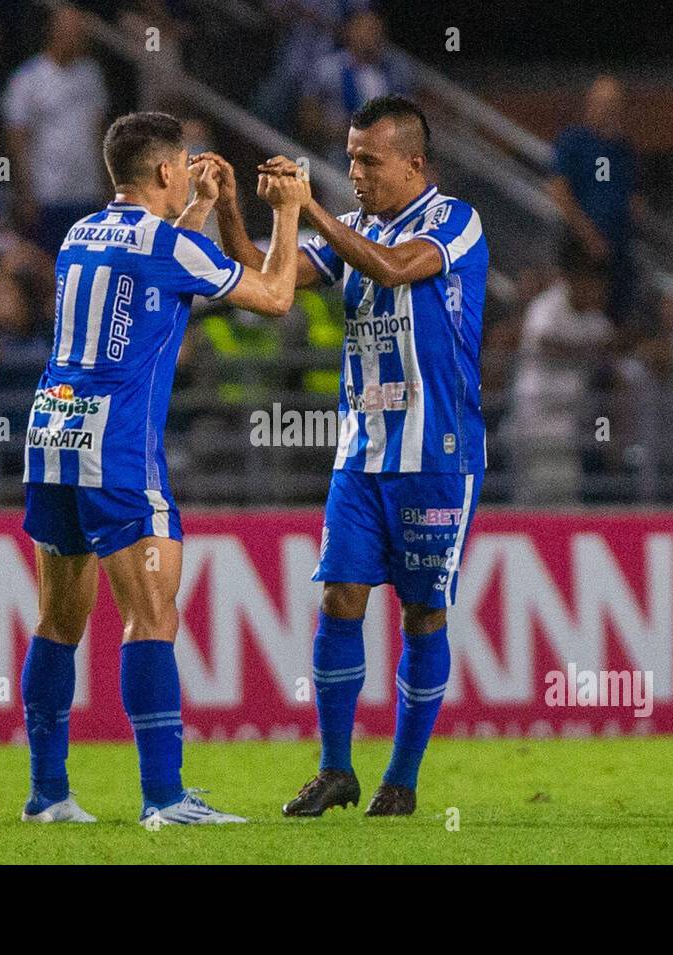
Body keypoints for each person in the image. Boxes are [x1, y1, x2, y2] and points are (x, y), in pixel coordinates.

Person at [18, 111, 307, 825]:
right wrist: (290, 211)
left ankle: (48, 794)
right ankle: (165, 798)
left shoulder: (81, 232)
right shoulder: (163, 244)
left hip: (52, 431)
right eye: (181, 168)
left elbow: (156, 261)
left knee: (59, 618)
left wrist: (204, 204)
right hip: (117, 446)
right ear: (161, 173)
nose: (186, 175)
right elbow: (275, 296)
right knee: (151, 614)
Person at [206, 94, 488, 817]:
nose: (355, 171)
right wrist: (236, 208)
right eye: (350, 157)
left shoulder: (454, 221)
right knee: (338, 598)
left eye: (369, 159)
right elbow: (265, 276)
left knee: (423, 612)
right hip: (360, 452)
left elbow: (394, 269)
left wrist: (311, 208)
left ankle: (401, 779)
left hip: (437, 452)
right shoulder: (354, 226)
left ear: (414, 163)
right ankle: (336, 768)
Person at [502, 239, 613, 505]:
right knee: (537, 502)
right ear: (578, 280)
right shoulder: (548, 305)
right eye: (593, 285)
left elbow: (612, 347)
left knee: (562, 500)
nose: (599, 293)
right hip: (535, 419)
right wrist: (588, 352)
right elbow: (545, 344)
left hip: (568, 423)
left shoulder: (596, 320)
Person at [4, 3, 109, 255]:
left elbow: (100, 132)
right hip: (49, 193)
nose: (81, 37)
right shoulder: (28, 79)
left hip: (87, 190)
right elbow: (17, 139)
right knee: (52, 264)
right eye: (74, 31)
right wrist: (25, 190)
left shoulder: (91, 75)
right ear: (56, 32)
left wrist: (108, 183)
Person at [548, 75, 645, 329]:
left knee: (617, 318)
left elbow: (628, 190)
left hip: (618, 247)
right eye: (603, 104)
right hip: (585, 249)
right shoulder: (574, 141)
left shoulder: (623, 148)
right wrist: (589, 235)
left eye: (614, 104)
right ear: (590, 104)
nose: (609, 111)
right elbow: (559, 191)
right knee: (584, 316)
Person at [298, 11, 413, 168]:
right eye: (365, 29)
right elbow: (307, 116)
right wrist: (340, 132)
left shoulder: (389, 75)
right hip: (338, 147)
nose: (371, 36)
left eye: (376, 31)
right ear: (350, 31)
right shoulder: (329, 67)